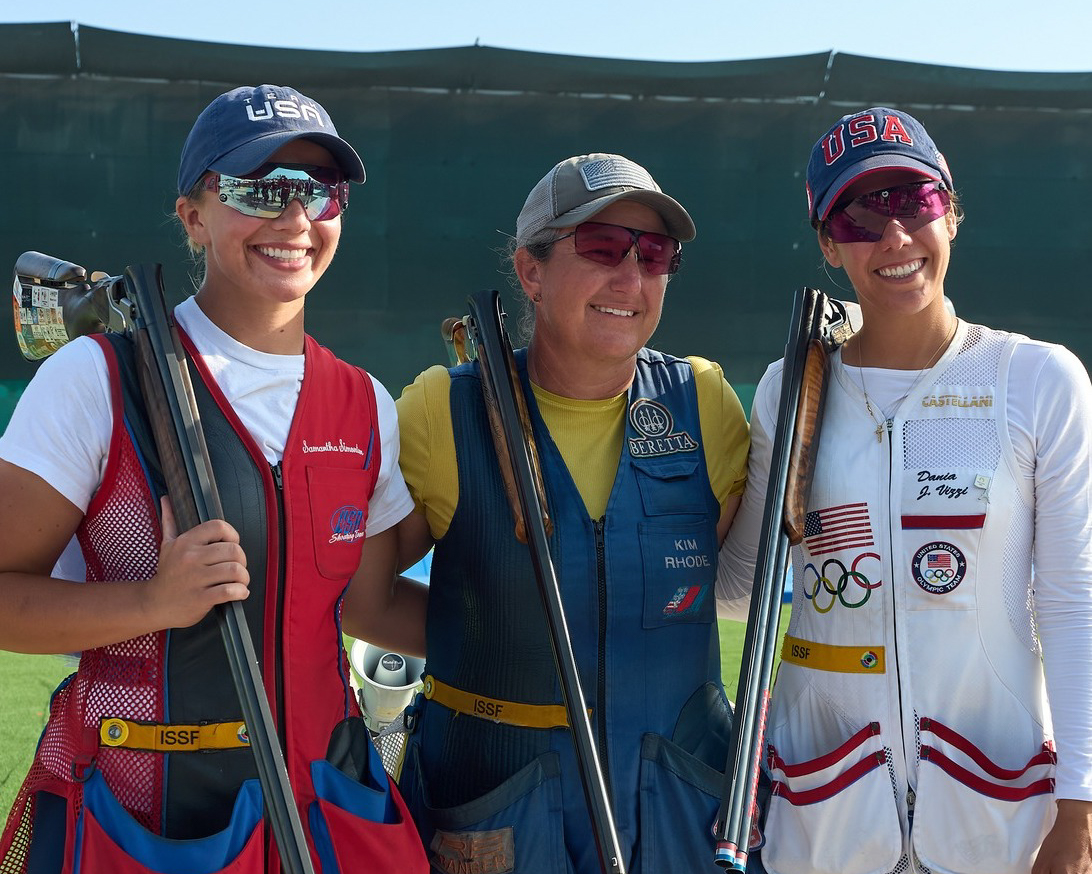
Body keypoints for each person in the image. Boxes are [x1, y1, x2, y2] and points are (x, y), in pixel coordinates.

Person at [0, 84, 428, 873]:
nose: (295, 218)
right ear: (193, 215)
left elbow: (369, 606)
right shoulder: (96, 378)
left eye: (318, 191)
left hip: (325, 811)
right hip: (147, 821)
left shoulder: (364, 401)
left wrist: (541, 637)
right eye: (257, 189)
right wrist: (150, 603)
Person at [717, 107, 1092, 874]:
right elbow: (742, 588)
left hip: (1001, 819)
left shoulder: (1035, 378)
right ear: (828, 242)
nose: (892, 236)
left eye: (912, 201)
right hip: (824, 821)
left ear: (950, 212)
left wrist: (1082, 806)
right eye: (859, 214)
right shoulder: (791, 388)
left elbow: (1074, 599)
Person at [394, 153, 750, 873]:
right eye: (600, 247)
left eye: (654, 254)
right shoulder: (442, 408)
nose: (631, 276)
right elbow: (358, 596)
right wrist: (494, 634)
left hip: (678, 804)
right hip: (498, 805)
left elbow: (725, 578)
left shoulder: (705, 401)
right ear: (529, 271)